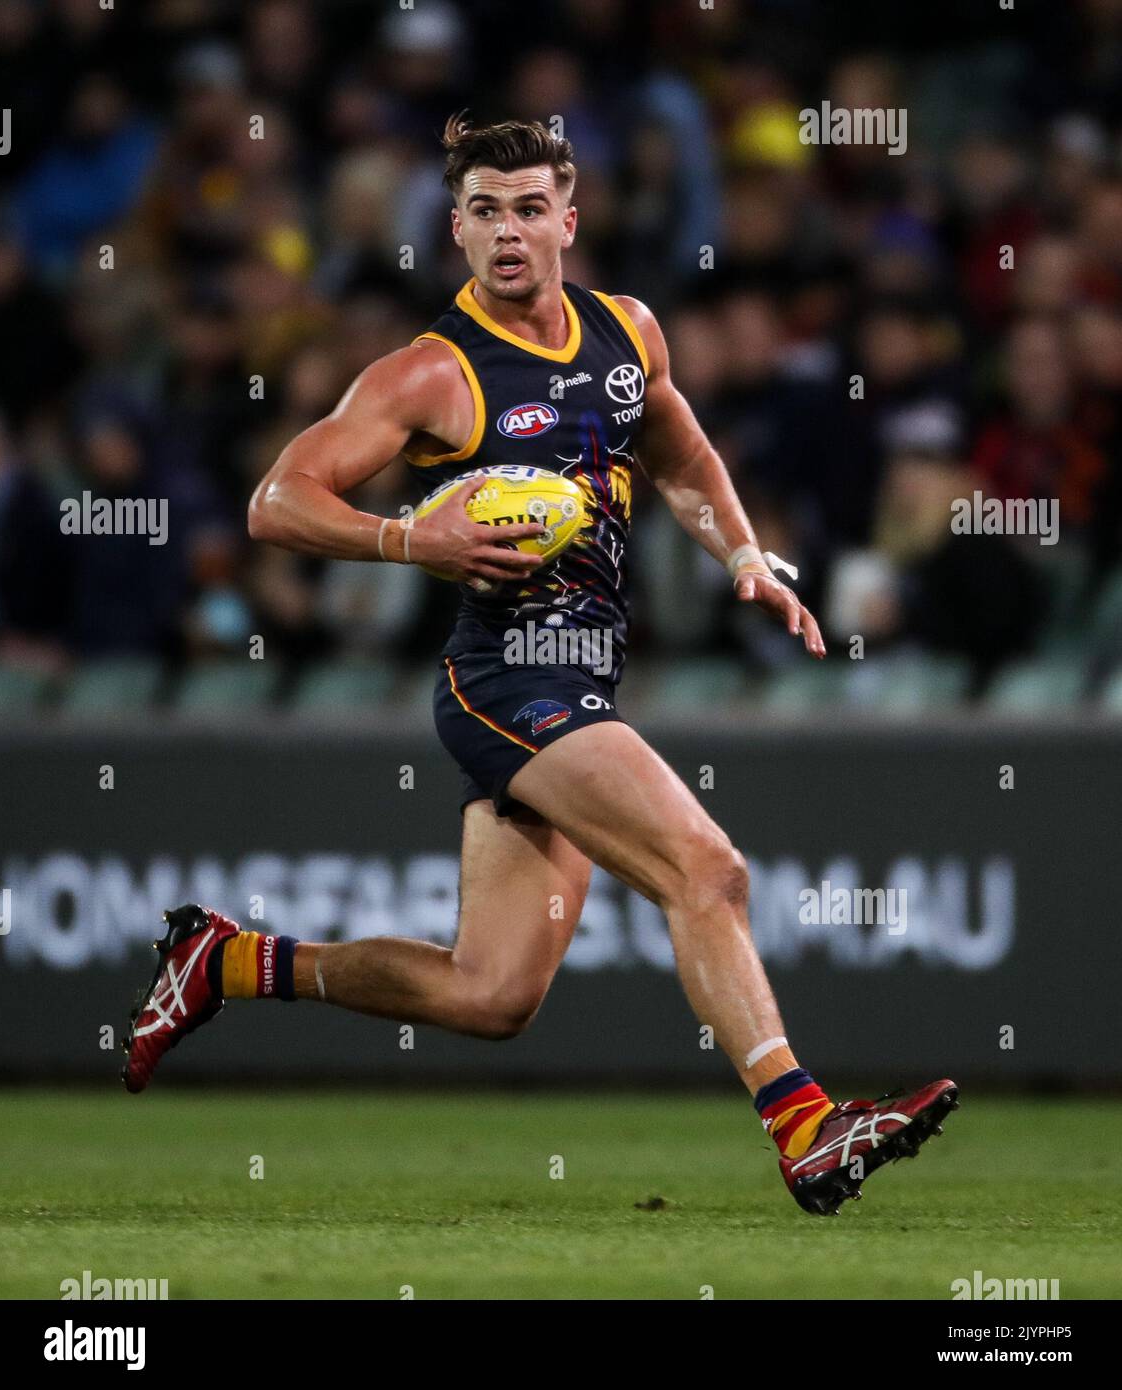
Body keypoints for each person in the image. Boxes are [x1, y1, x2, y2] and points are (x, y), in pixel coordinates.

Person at [122, 117, 957, 1215]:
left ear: (569, 219)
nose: (507, 231)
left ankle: (227, 963)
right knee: (706, 869)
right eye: (483, 210)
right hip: (506, 678)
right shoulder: (432, 373)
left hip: (580, 683)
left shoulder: (628, 332)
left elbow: (682, 451)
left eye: (527, 207)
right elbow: (277, 499)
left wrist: (743, 551)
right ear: (455, 229)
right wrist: (407, 538)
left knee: (491, 992)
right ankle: (805, 1124)